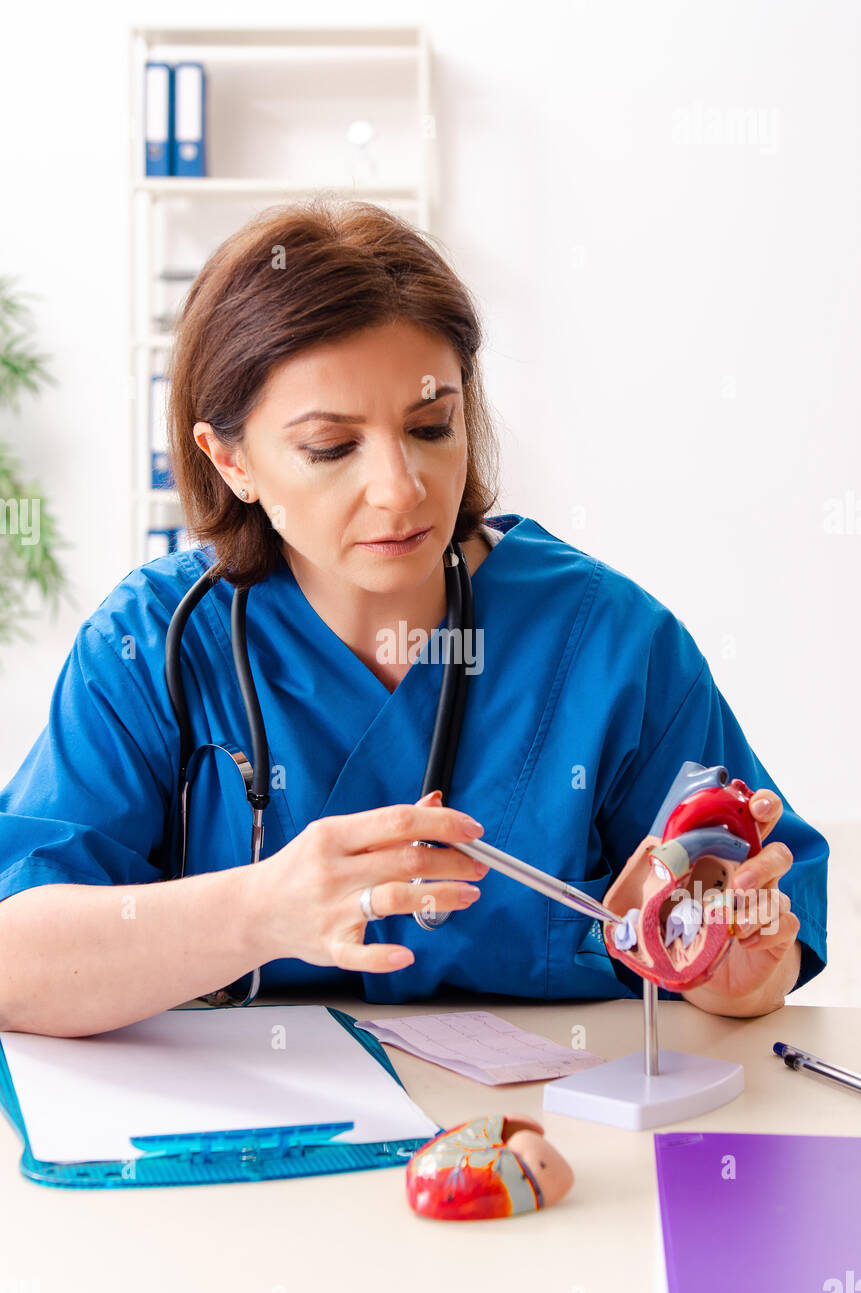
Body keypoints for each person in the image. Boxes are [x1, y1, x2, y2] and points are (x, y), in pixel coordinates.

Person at [0, 198, 828, 1038]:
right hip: (248, 1147)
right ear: (232, 460)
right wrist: (258, 910)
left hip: (553, 1140)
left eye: (431, 427)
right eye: (331, 447)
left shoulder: (610, 644)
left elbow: (759, 914)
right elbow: (15, 961)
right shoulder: (152, 645)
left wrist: (729, 970)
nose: (400, 488)